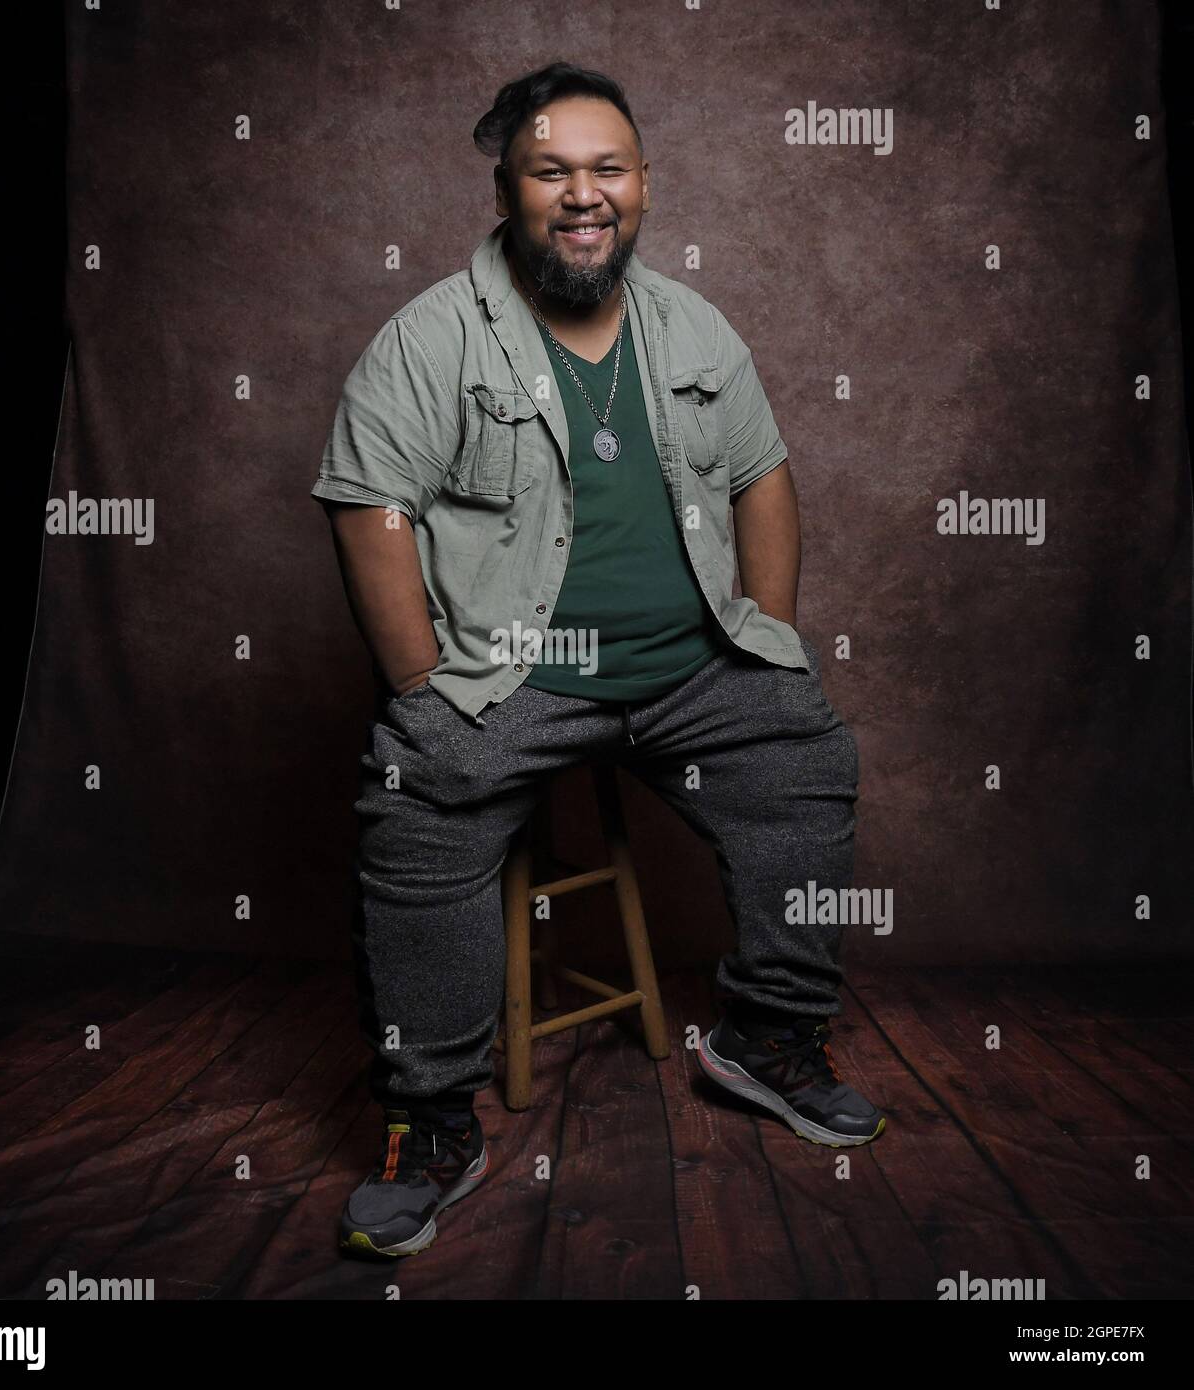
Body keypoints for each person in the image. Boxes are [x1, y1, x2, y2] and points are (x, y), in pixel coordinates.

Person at [314, 62, 885, 1260]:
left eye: (608, 168)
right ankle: (431, 1123)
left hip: (689, 668)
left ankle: (767, 1039)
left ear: (643, 184)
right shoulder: (430, 335)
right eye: (552, 170)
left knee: (808, 765)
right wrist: (424, 689)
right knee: (417, 814)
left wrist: (764, 642)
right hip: (508, 678)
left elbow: (761, 474)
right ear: (510, 188)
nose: (585, 194)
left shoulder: (693, 326)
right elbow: (369, 506)